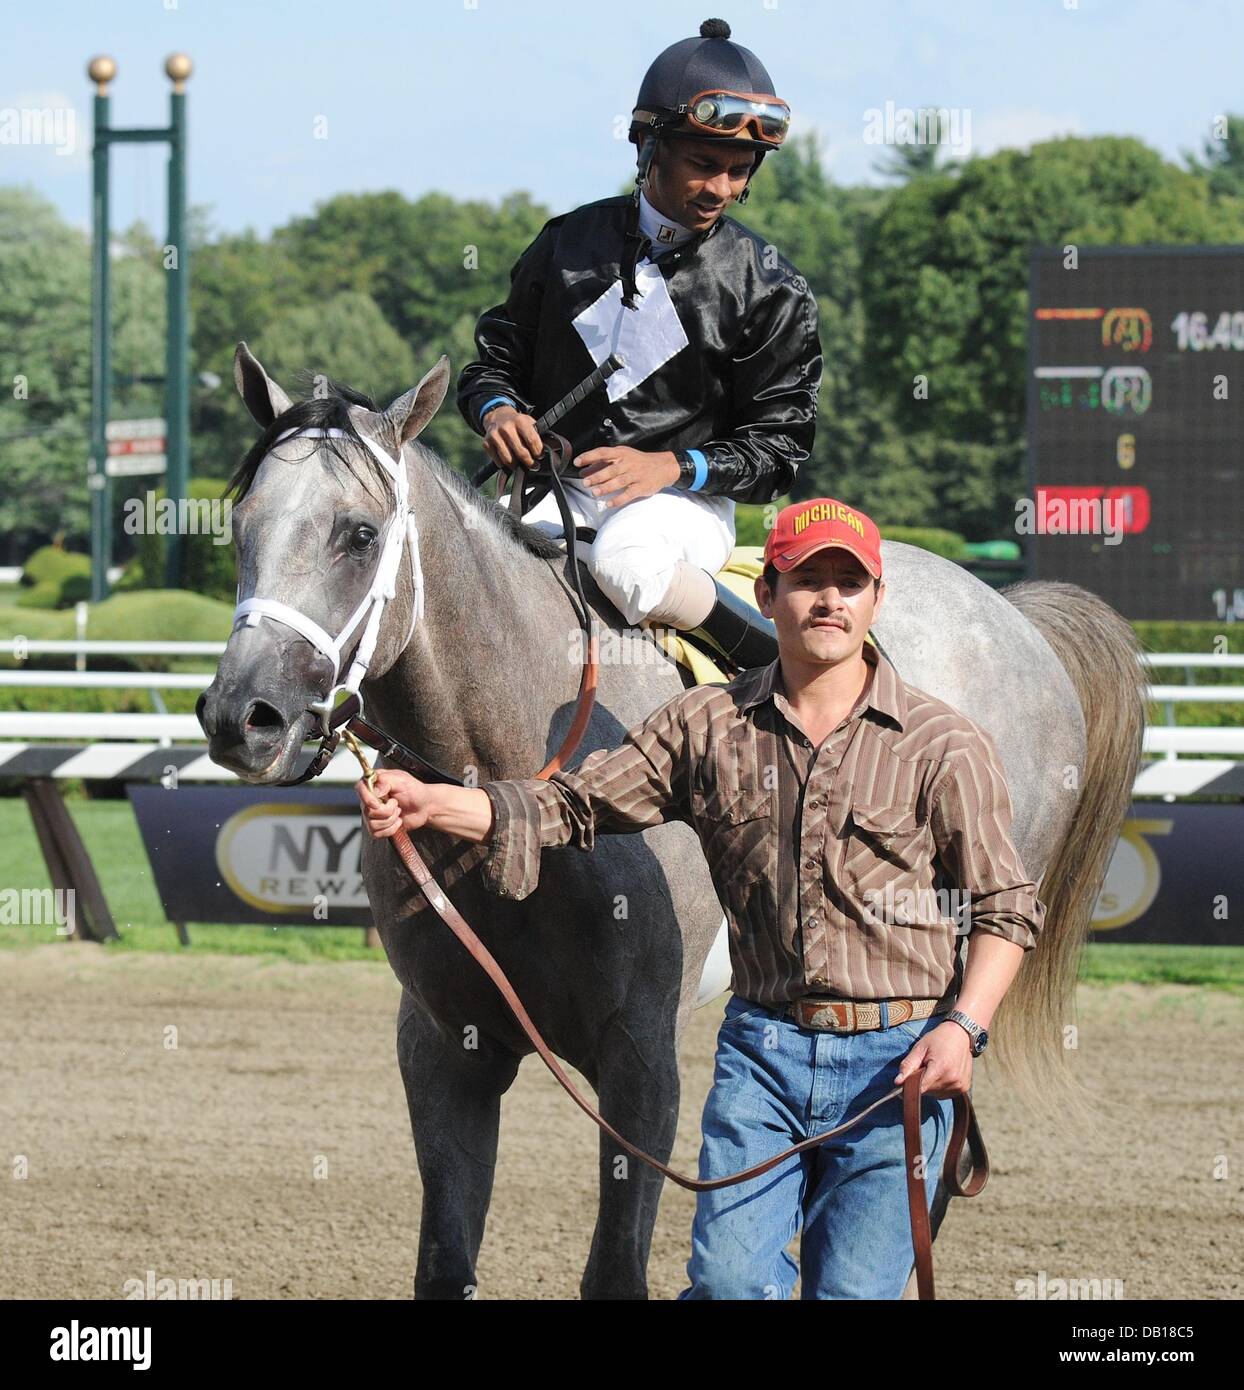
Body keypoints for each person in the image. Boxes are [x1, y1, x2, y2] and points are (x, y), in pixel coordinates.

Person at [356, 497, 1046, 1300]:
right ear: (765, 594)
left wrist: (965, 1028)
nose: (829, 600)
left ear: (876, 600)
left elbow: (1004, 907)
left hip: (899, 1063)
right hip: (764, 1059)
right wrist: (434, 803)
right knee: (723, 1288)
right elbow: (572, 805)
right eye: (807, 579)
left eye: (849, 582)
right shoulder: (704, 725)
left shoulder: (945, 744)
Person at [457, 17, 822, 670]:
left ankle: (787, 680)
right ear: (646, 146)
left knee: (626, 563)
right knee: (467, 577)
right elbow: (494, 366)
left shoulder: (769, 286)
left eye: (740, 172)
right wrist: (498, 411)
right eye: (704, 165)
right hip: (553, 491)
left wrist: (675, 467)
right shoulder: (566, 245)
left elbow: (781, 448)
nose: (722, 190)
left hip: (682, 506)